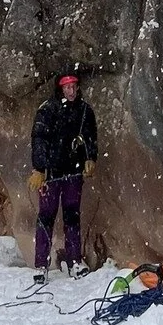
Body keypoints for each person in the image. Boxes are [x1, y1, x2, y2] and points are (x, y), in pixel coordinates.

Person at [29, 70, 97, 281]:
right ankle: (41, 265)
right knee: (46, 218)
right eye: (67, 87)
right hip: (51, 175)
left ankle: (74, 261)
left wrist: (90, 157)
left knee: (72, 217)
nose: (71, 91)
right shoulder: (47, 110)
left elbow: (90, 136)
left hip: (73, 173)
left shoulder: (85, 111)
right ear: (60, 89)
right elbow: (38, 139)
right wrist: (39, 169)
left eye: (73, 86)